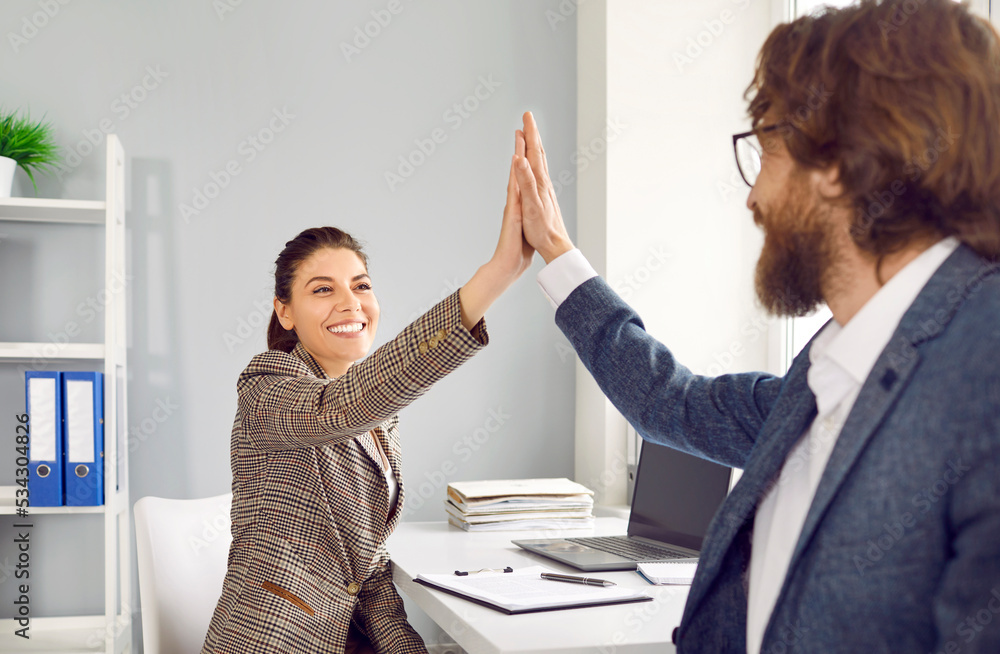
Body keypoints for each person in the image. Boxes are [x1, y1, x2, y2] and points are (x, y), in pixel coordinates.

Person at [511, 1, 1000, 652]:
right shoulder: (831, 367)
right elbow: (672, 402)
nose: (752, 197)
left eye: (764, 145)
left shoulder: (982, 363)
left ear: (838, 162)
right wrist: (559, 255)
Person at [201, 138, 534, 653]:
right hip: (277, 637)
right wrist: (497, 274)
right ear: (284, 312)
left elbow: (368, 563)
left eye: (361, 285)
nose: (350, 303)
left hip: (355, 632)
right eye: (322, 289)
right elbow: (339, 408)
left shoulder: (380, 416)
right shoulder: (265, 386)